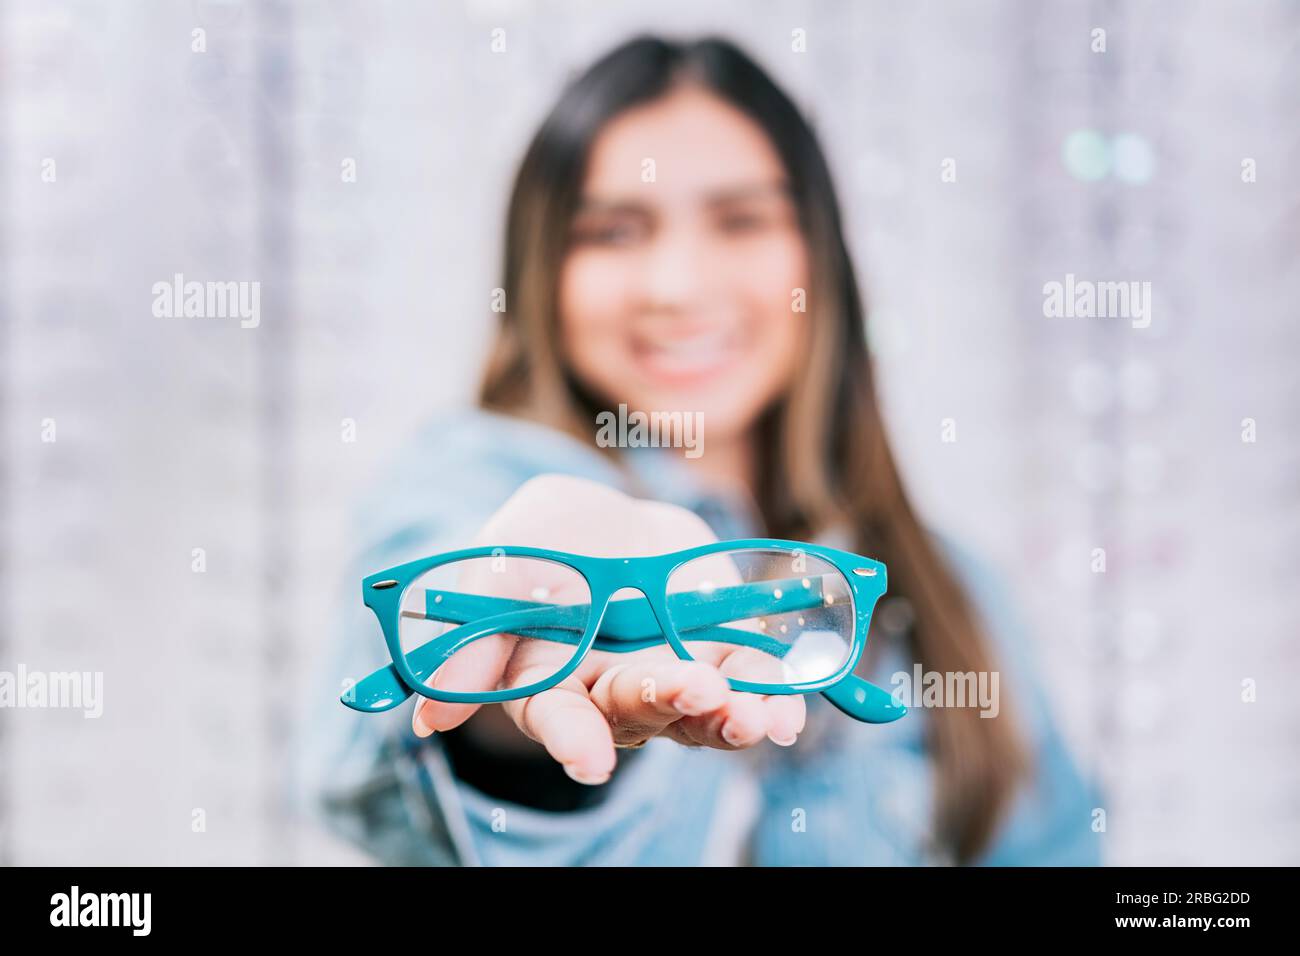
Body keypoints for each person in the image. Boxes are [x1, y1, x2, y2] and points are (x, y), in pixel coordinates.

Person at [308, 35, 1101, 866]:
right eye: (614, 232)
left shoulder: (954, 592)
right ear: (542, 272)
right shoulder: (471, 476)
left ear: (819, 257)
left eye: (742, 220)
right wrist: (521, 689)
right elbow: (428, 602)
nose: (679, 286)